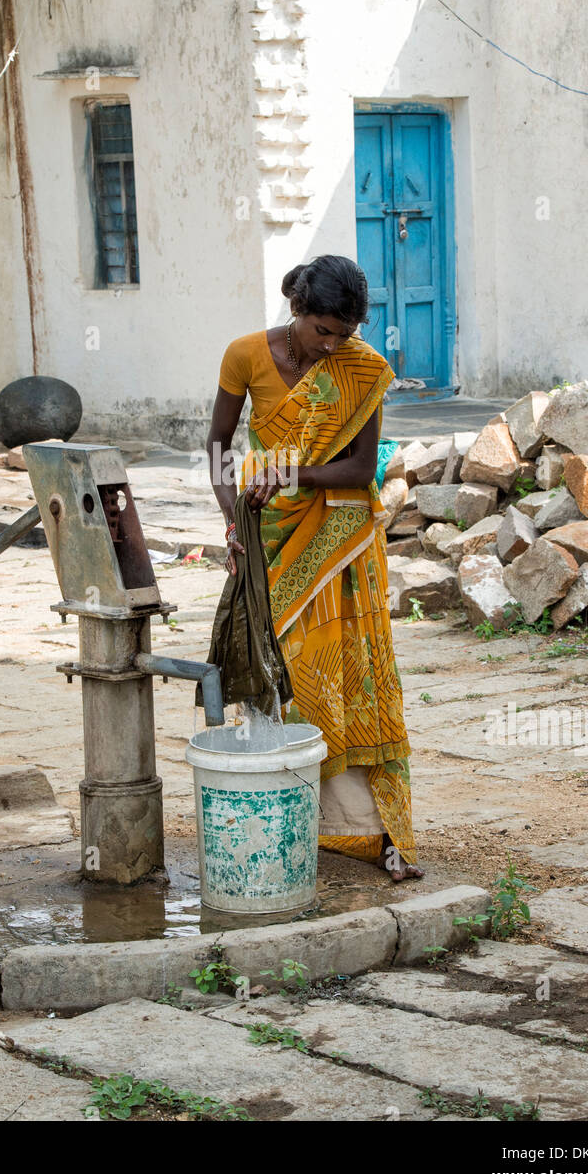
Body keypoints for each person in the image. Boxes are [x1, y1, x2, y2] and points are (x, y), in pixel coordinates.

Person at [206, 254, 423, 881]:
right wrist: (231, 518)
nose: (331, 346)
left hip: (340, 544)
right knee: (283, 670)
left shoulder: (361, 371)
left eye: (344, 334)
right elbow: (220, 448)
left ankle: (369, 830)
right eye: (321, 331)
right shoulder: (244, 354)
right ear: (297, 310)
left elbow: (360, 470)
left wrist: (288, 472)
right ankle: (285, 817)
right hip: (267, 533)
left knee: (348, 671)